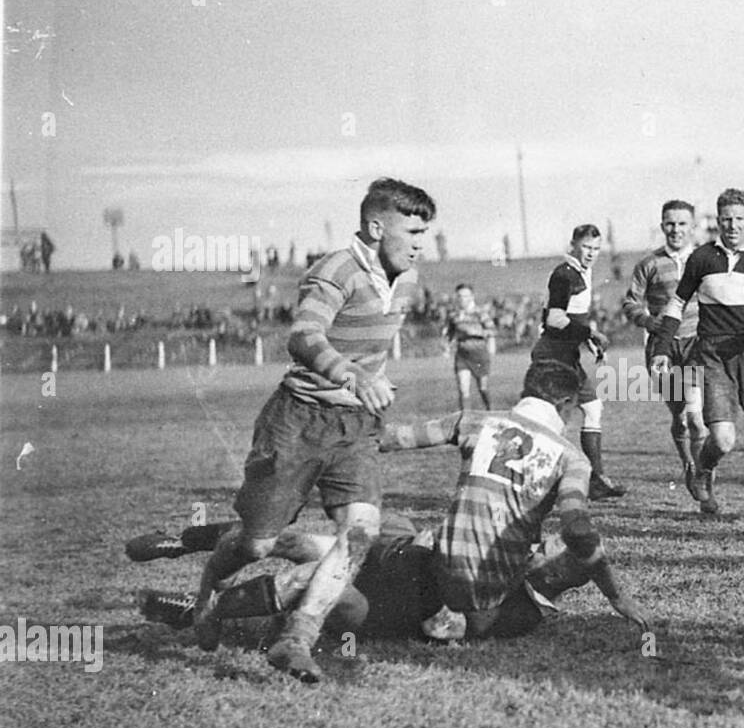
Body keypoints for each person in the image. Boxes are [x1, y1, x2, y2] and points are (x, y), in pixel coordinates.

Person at [132, 362, 646, 663]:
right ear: (569, 410)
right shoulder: (566, 462)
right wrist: (618, 597)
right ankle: (203, 582)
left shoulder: (477, 420)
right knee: (326, 556)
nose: (550, 547)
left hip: (405, 575)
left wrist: (348, 413)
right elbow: (576, 529)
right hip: (410, 562)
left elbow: (392, 439)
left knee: (319, 560)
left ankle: (197, 569)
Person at [188, 178, 433, 681]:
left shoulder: (406, 280)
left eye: (424, 233)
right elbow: (302, 336)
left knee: (360, 531)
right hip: (297, 421)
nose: (419, 243)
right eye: (412, 231)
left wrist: (373, 380)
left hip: (355, 426)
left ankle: (297, 636)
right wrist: (353, 375)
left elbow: (371, 348)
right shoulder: (335, 269)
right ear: (375, 226)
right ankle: (207, 590)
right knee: (256, 544)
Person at [650, 188, 744, 524]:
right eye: (726, 219)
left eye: (739, 219)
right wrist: (662, 349)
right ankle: (702, 470)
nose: (732, 226)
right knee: (722, 440)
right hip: (714, 357)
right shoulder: (702, 258)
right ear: (717, 221)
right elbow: (676, 305)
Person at [527, 225, 625, 500]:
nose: (592, 253)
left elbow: (575, 317)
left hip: (566, 355)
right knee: (552, 421)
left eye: (596, 249)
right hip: (553, 355)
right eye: (586, 248)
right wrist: (591, 333)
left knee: (592, 408)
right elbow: (554, 319)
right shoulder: (563, 274)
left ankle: (596, 479)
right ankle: (536, 481)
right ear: (573, 245)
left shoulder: (582, 272)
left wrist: (589, 341)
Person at [621, 200, 707, 498]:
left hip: (697, 345)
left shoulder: (705, 259)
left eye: (682, 223)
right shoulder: (649, 264)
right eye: (670, 223)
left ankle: (703, 481)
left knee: (697, 419)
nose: (676, 230)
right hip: (663, 348)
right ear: (662, 226)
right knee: (680, 416)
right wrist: (649, 321)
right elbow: (630, 303)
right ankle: (688, 465)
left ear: (692, 227)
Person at [445, 283, 496, 411]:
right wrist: (447, 344)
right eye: (460, 296)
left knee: (483, 388)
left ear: (472, 297)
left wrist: (476, 332)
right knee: (463, 389)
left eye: (465, 296)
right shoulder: (453, 315)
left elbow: (492, 330)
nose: (462, 299)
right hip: (462, 356)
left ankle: (490, 411)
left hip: (479, 355)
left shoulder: (480, 313)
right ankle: (465, 421)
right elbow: (450, 333)